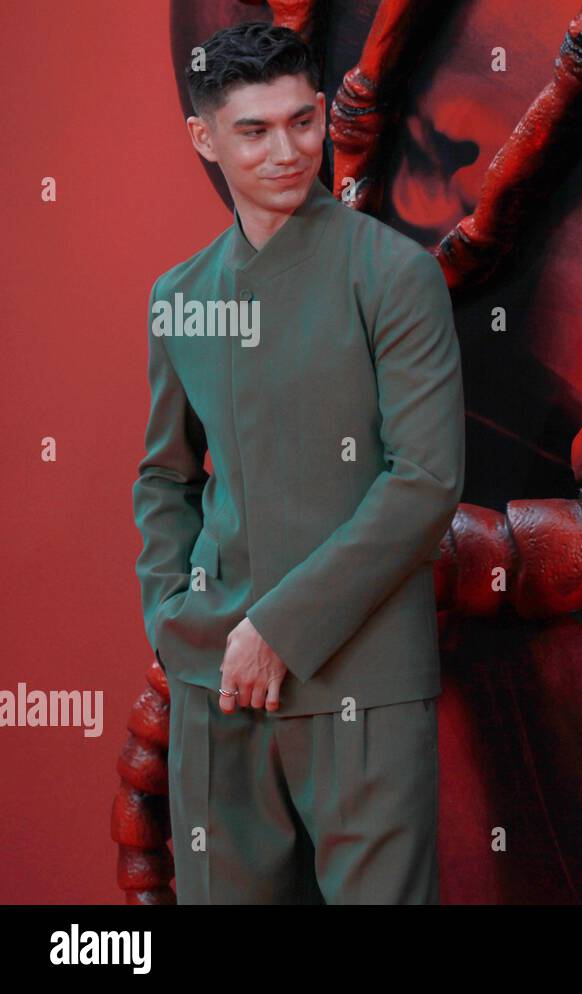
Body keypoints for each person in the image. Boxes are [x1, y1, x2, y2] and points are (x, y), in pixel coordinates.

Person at [133, 23, 464, 903]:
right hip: (215, 683)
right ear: (204, 139)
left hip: (363, 682)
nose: (290, 151)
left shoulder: (395, 276)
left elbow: (426, 479)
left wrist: (278, 629)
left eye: (302, 122)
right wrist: (171, 614)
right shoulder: (180, 297)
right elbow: (165, 476)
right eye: (254, 131)